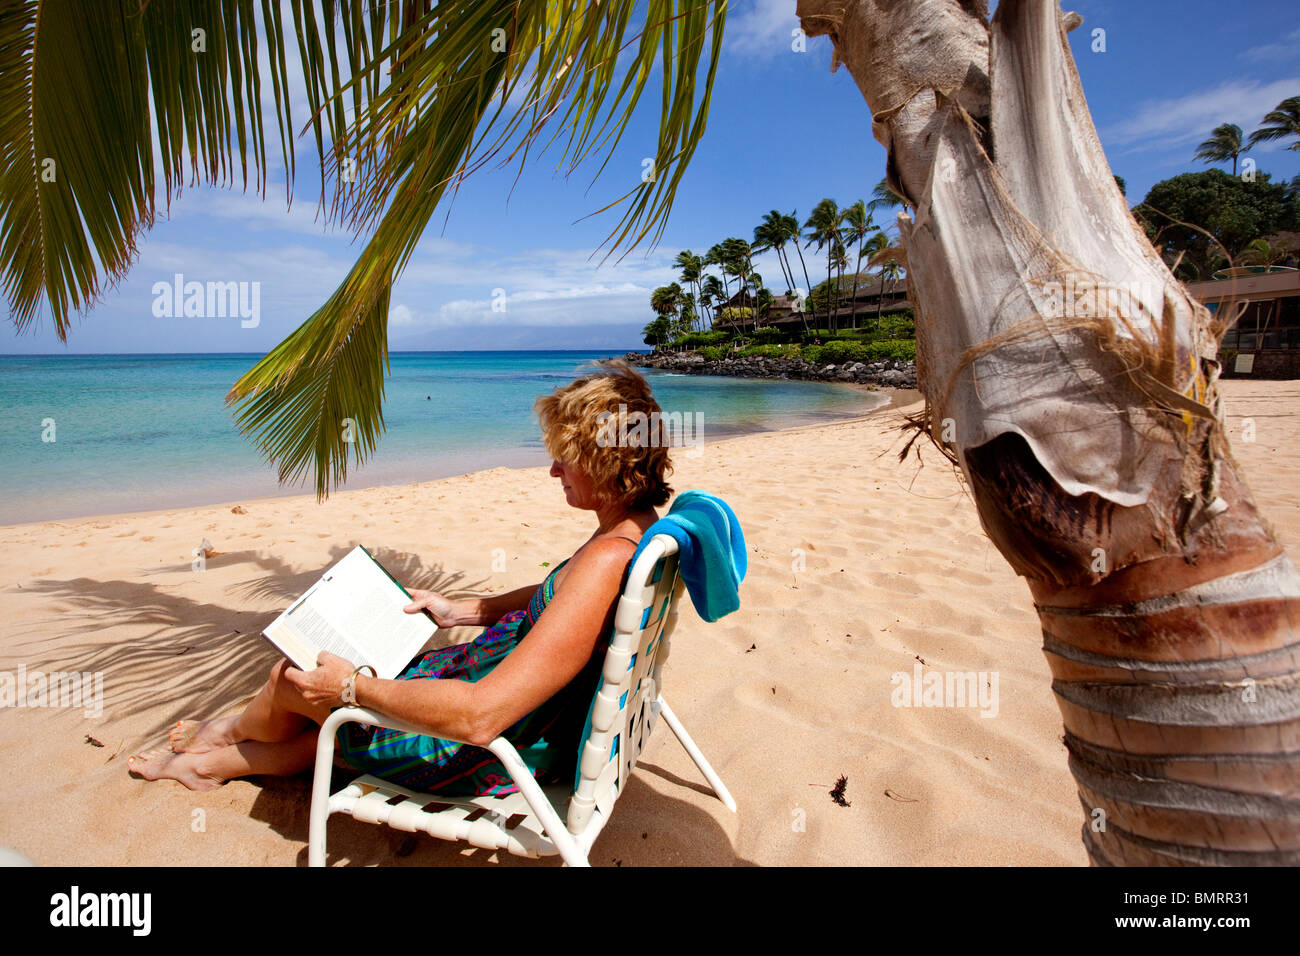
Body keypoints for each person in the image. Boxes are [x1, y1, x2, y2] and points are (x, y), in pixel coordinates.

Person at [128, 360, 673, 795]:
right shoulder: (633, 531)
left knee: (291, 678)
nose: (553, 470)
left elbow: (481, 716)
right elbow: (563, 600)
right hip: (512, 704)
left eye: (564, 458)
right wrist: (464, 611)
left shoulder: (608, 559)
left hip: (484, 749)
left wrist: (348, 687)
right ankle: (214, 764)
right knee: (327, 711)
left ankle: (226, 731)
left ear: (604, 464)